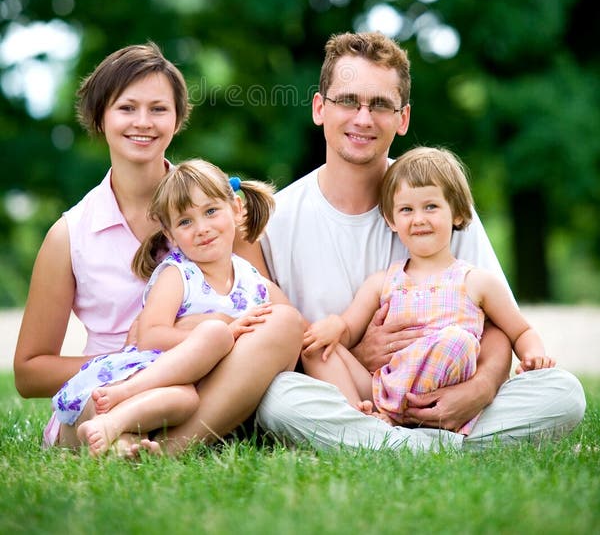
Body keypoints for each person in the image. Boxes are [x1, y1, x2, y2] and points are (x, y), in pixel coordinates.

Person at [235, 31, 585, 452]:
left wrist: (482, 388)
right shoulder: (276, 220)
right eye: (348, 100)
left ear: (402, 118)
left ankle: (386, 447)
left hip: (451, 389)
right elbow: (275, 348)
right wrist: (361, 354)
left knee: (564, 392)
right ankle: (438, 449)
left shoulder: (438, 200)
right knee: (279, 399)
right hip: (353, 397)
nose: (363, 119)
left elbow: (498, 323)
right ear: (319, 108)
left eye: (380, 104)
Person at [13, 43, 303, 453]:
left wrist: (194, 337)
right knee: (118, 403)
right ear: (100, 117)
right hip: (116, 389)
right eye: (127, 108)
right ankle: (128, 436)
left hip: (209, 381)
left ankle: (166, 449)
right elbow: (28, 372)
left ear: (178, 119)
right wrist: (135, 358)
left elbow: (259, 311)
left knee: (285, 322)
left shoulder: (212, 214)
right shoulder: (70, 235)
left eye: (158, 109)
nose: (143, 123)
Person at [302, 147, 555, 433]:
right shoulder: (383, 282)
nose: (419, 219)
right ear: (391, 220)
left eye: (431, 207)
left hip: (447, 397)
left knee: (459, 341)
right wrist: (334, 327)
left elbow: (520, 331)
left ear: (458, 214)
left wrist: (534, 354)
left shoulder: (475, 281)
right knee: (316, 349)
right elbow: (348, 328)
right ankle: (361, 418)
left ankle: (394, 425)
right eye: (406, 210)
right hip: (383, 388)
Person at [52, 159, 294, 456]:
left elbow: (295, 330)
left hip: (188, 393)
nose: (202, 228)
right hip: (148, 378)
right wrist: (223, 334)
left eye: (211, 211)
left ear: (236, 208)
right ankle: (113, 420)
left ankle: (125, 444)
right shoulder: (178, 274)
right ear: (170, 234)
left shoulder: (254, 283)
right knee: (202, 359)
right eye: (185, 222)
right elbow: (150, 336)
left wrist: (340, 328)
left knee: (186, 398)